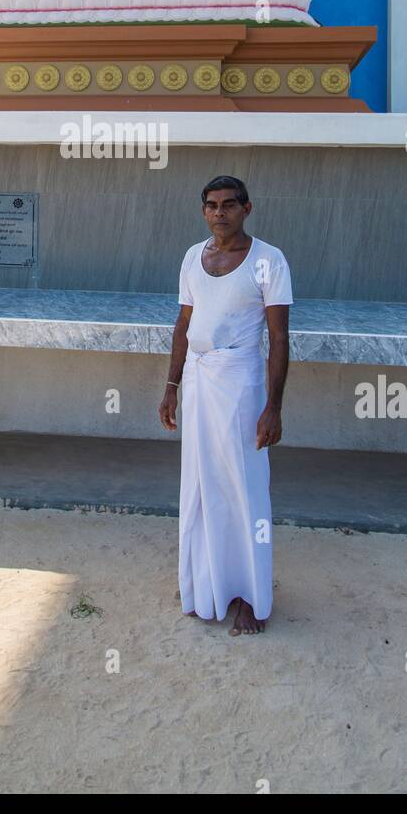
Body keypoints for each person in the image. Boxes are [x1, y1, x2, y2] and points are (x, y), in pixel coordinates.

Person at [159, 175, 292, 635]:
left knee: (244, 486)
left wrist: (273, 406)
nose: (220, 212)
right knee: (199, 484)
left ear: (246, 208)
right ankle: (205, 584)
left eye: (229, 205)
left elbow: (277, 338)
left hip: (241, 383)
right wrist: (171, 385)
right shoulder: (193, 258)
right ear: (203, 211)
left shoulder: (268, 261)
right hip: (197, 379)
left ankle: (252, 598)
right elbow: (183, 323)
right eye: (212, 205)